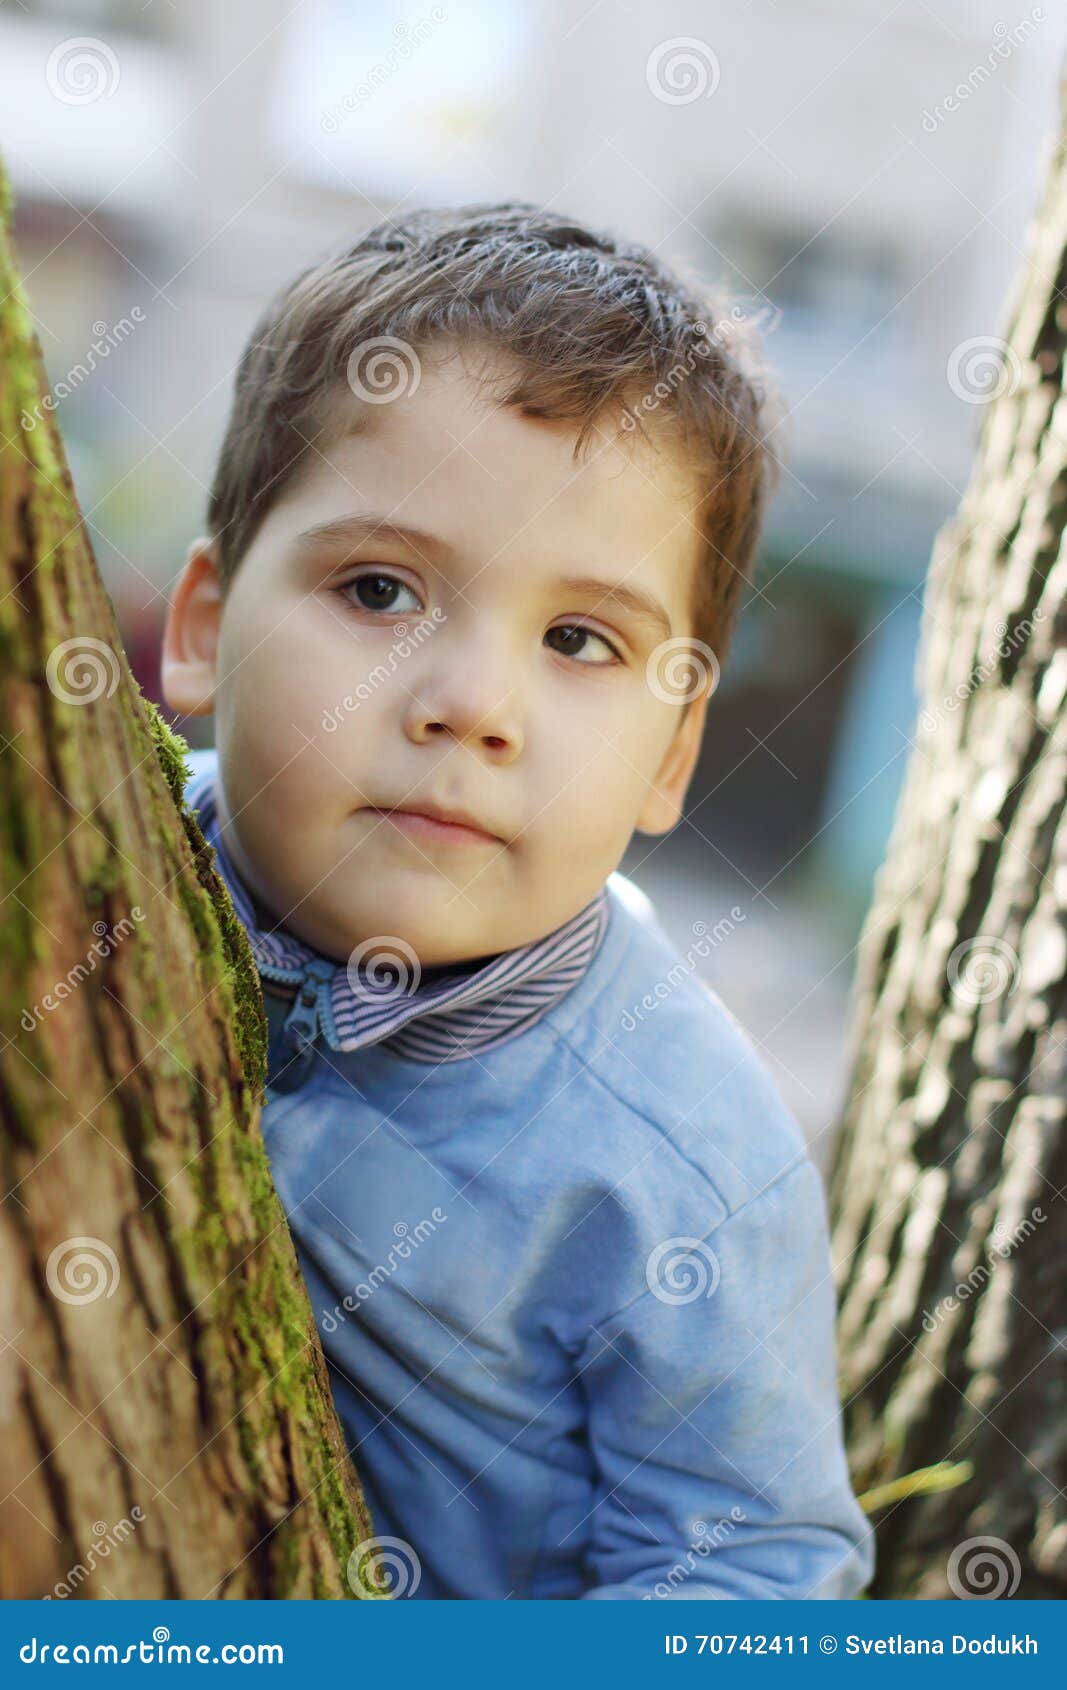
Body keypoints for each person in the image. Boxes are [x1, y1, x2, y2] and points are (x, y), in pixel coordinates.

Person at [161, 202, 874, 1601]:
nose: (473, 704)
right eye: (380, 589)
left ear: (673, 750)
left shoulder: (678, 1163)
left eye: (578, 639)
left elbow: (759, 1569)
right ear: (200, 627)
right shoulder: (106, 859)